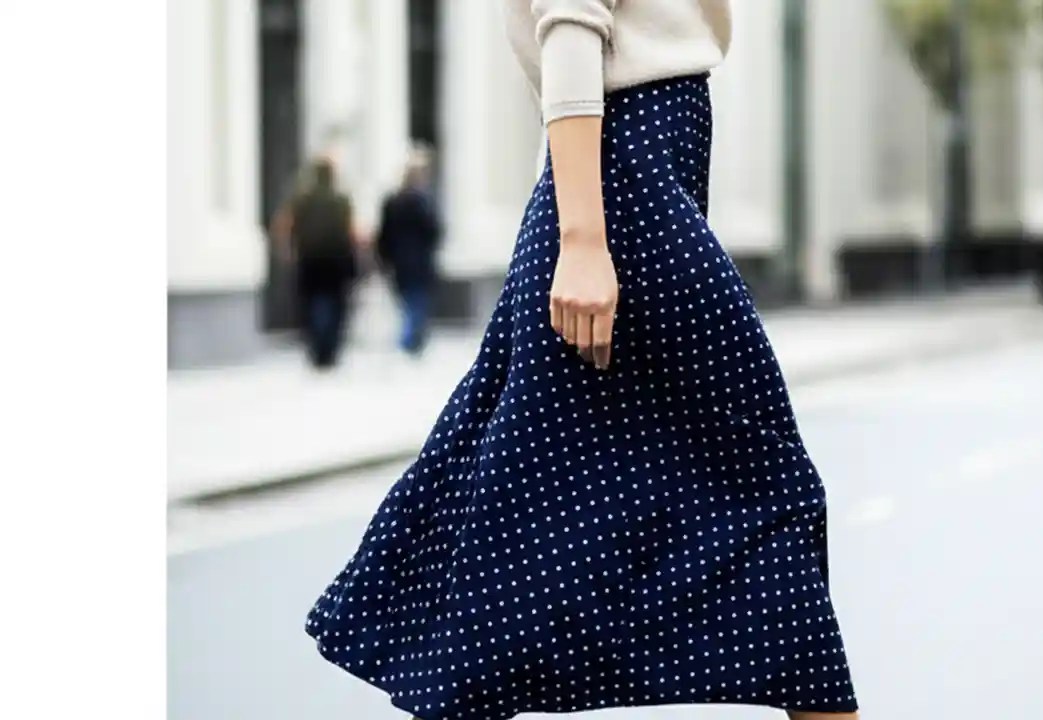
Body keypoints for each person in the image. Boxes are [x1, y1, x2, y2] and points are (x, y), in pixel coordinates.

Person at [306, 2, 860, 718]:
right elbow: (570, 22)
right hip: (624, 191)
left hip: (640, 180)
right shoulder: (610, 206)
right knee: (765, 487)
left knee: (516, 514)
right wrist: (584, 241)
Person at [287, 156, 357, 370]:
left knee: (312, 304)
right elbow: (350, 230)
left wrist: (292, 251)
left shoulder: (302, 200)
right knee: (336, 306)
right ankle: (330, 350)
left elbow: (291, 228)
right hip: (336, 260)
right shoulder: (341, 200)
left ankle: (317, 348)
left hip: (310, 259)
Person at [375, 148, 442, 356]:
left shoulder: (392, 202)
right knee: (417, 301)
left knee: (408, 301)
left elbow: (384, 234)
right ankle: (409, 339)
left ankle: (410, 337)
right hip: (419, 261)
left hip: (399, 262)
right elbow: (433, 231)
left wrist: (384, 258)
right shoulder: (423, 203)